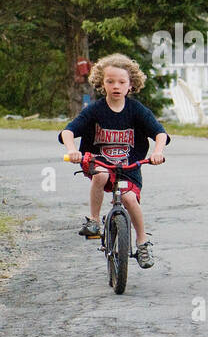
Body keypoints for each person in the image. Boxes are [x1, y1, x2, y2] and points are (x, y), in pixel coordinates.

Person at [57, 54, 169, 268]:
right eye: (110, 81)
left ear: (131, 85)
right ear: (101, 83)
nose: (116, 86)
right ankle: (94, 221)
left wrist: (157, 152)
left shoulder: (136, 110)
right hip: (100, 161)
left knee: (129, 199)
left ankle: (143, 242)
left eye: (121, 82)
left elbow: (160, 133)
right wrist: (72, 151)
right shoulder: (95, 110)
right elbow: (68, 131)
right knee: (100, 174)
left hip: (129, 165)